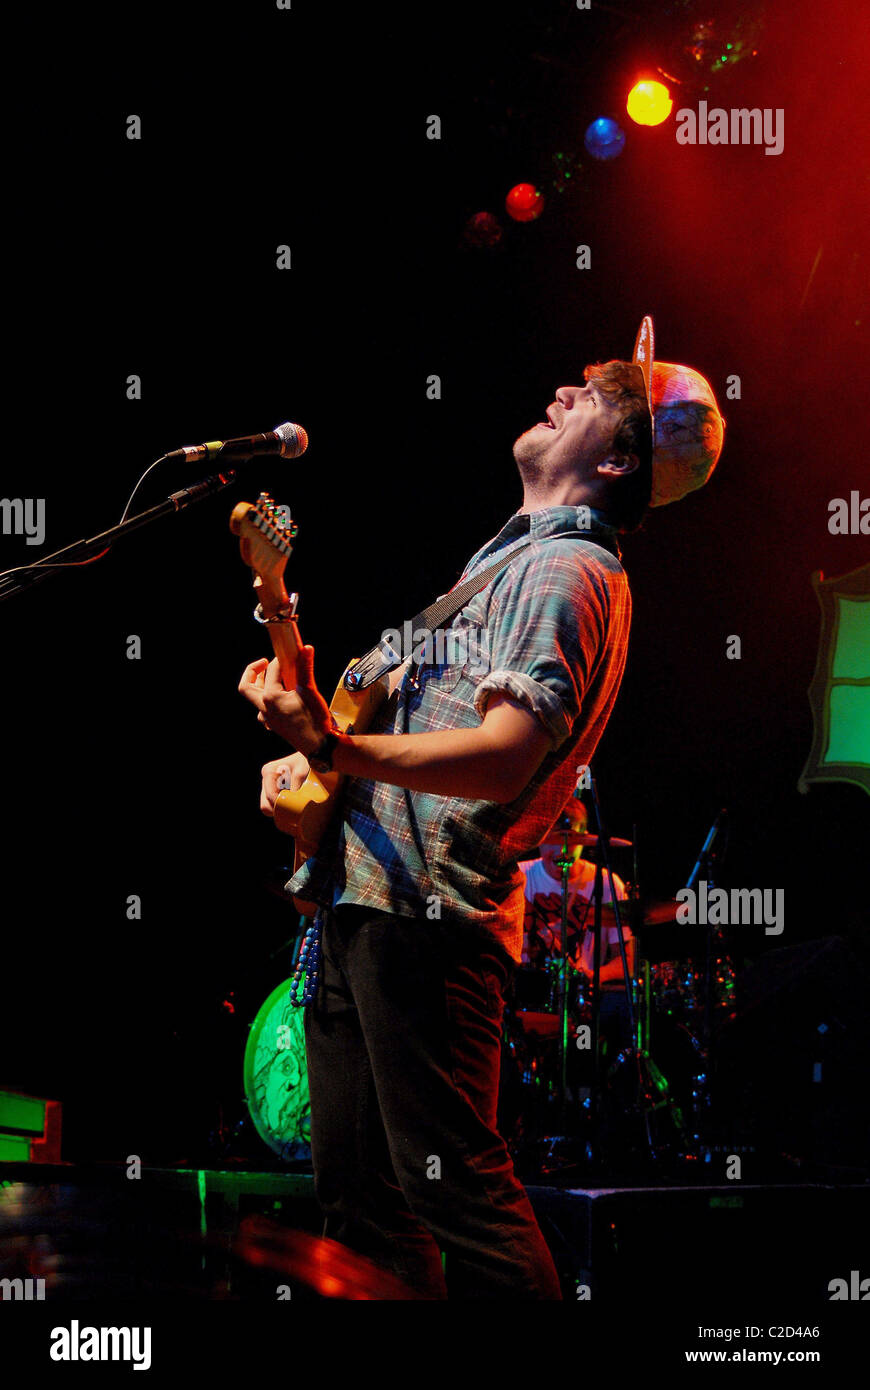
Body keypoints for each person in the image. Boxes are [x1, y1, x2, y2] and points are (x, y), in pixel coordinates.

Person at [238, 317, 724, 1299]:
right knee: (368, 1212)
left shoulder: (566, 568)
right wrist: (303, 687)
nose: (561, 393)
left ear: (620, 456)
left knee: (461, 1201)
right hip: (372, 906)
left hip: (428, 928)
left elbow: (505, 756)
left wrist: (331, 745)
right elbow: (382, 721)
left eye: (590, 398)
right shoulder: (514, 560)